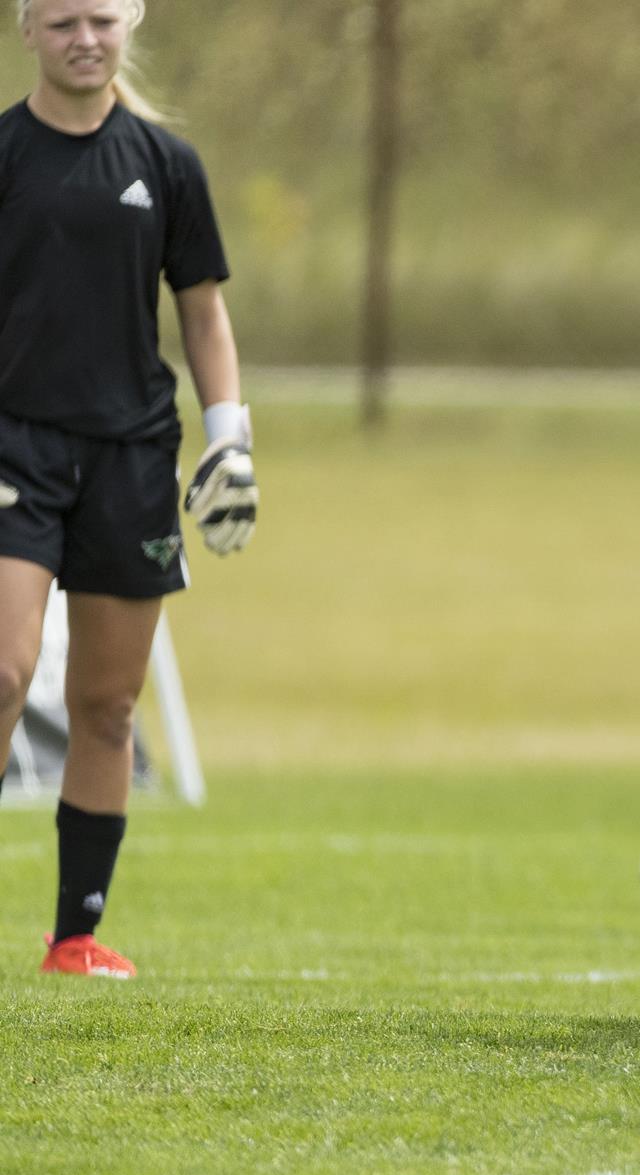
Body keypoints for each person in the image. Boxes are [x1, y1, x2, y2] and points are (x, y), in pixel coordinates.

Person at [1, 0, 259, 978]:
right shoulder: (5, 156)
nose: (84, 38)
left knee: (106, 706)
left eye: (102, 19)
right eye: (62, 20)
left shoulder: (166, 165)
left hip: (132, 460)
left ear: (131, 22)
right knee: (5, 670)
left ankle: (73, 938)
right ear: (26, 28)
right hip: (13, 450)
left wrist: (229, 441)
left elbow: (204, 317)